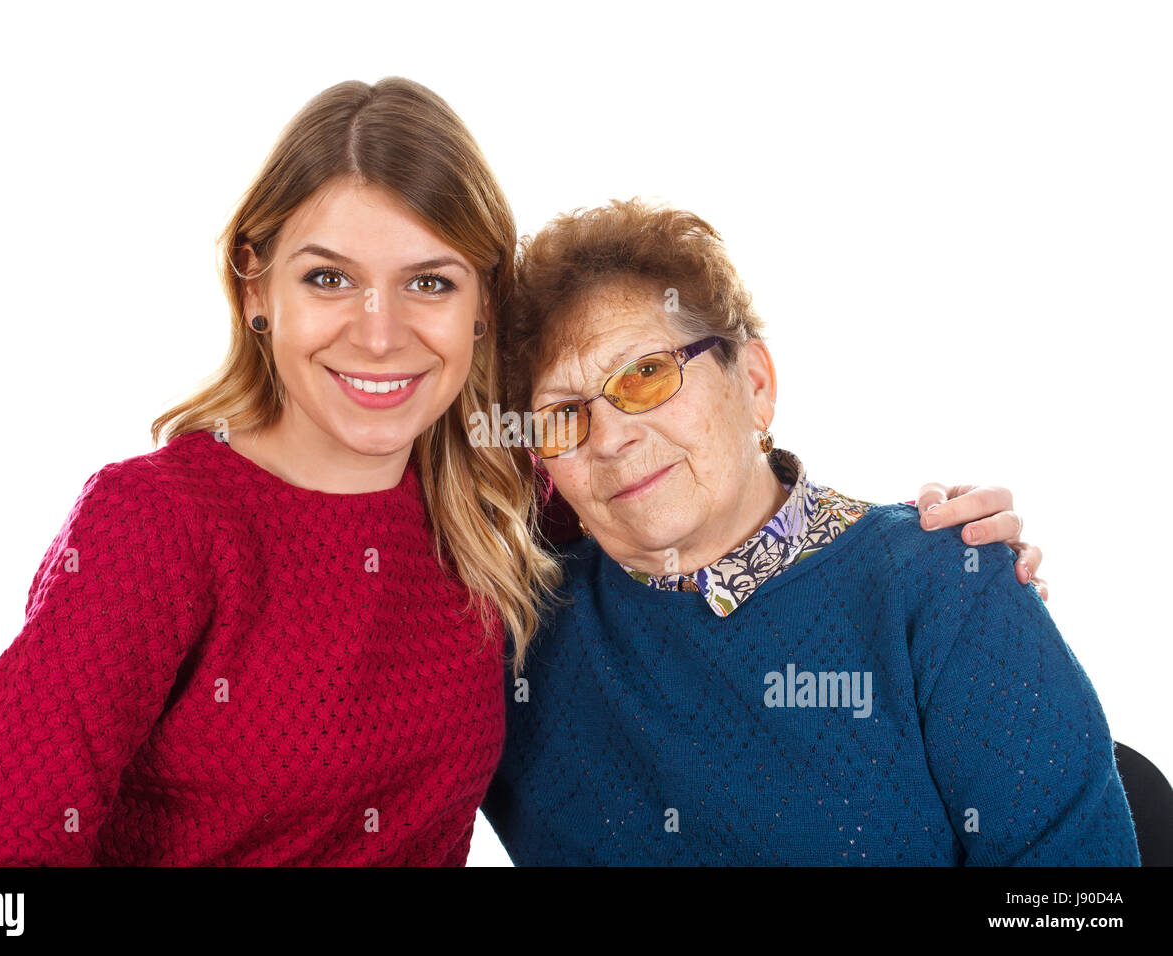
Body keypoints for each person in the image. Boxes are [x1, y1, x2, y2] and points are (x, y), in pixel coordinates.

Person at [0, 78, 1042, 867]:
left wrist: (928, 568)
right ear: (254, 286)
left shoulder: (505, 499)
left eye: (430, 283)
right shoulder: (155, 523)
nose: (380, 332)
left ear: (481, 307)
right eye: (327, 278)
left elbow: (694, 489)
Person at [482, 198, 1138, 866]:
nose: (613, 437)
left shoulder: (945, 584)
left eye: (648, 374)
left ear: (756, 384)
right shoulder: (506, 643)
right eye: (564, 415)